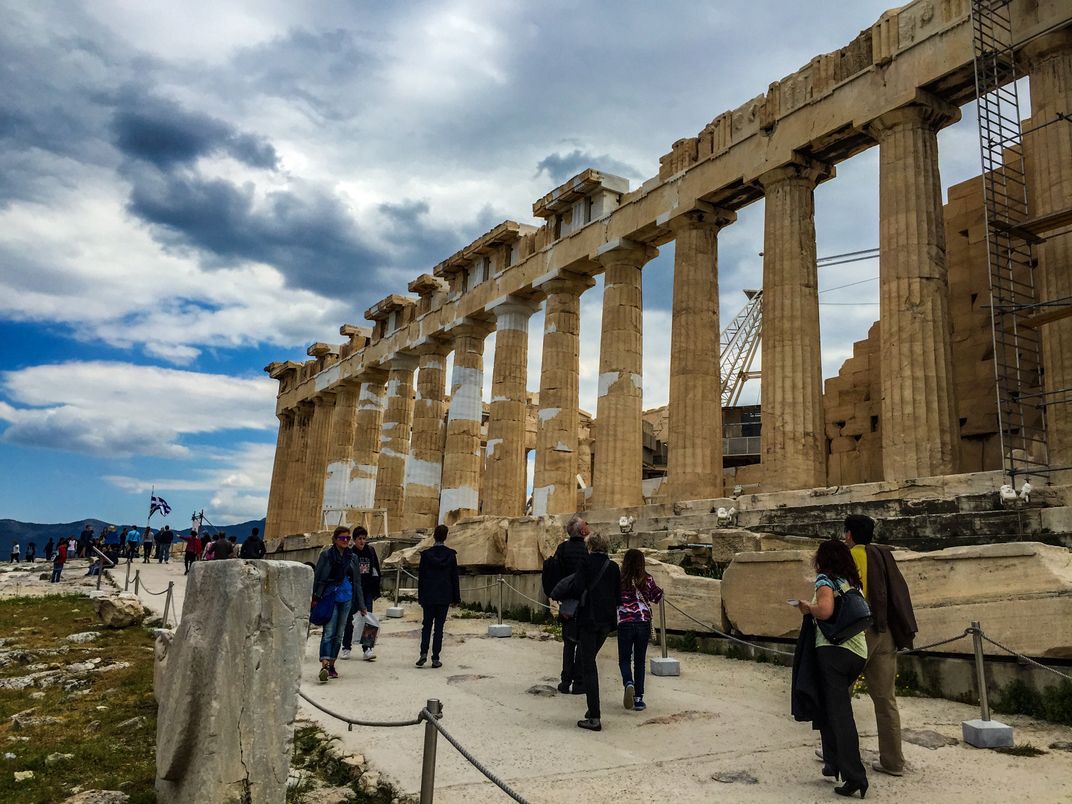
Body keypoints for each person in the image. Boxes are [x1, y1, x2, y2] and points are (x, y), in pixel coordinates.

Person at [844, 514, 917, 778]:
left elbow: (848, 597)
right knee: (886, 700)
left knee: (840, 694)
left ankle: (837, 752)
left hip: (859, 634)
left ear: (849, 534)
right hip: (885, 631)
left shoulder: (851, 557)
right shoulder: (884, 556)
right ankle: (893, 762)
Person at [796, 539, 869, 798]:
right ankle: (833, 763)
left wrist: (808, 608)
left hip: (833, 652)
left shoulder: (825, 580)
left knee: (839, 715)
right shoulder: (851, 582)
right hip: (857, 652)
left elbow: (825, 611)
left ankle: (855, 777)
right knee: (828, 708)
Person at [574, 530, 621, 732]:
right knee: (588, 660)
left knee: (589, 667)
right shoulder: (613, 567)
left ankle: (594, 716)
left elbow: (577, 588)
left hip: (588, 621)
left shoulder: (585, 563)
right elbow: (618, 596)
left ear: (590, 546)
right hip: (606, 622)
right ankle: (592, 709)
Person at [312, 526, 365, 681]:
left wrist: (362, 606)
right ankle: (324, 664)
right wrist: (314, 596)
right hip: (329, 596)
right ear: (335, 539)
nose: (346, 541)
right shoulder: (326, 555)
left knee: (339, 633)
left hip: (347, 598)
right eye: (342, 538)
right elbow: (318, 577)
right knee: (328, 631)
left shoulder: (352, 557)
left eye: (348, 538)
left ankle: (332, 665)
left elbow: (357, 582)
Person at [617, 549, 663, 713]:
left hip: (625, 621)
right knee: (639, 661)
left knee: (624, 659)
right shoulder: (647, 579)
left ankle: (628, 683)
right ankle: (638, 699)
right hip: (643, 622)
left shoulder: (620, 580)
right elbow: (656, 597)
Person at [552, 515, 591, 694]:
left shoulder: (562, 548)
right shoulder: (588, 550)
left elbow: (557, 573)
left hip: (567, 602)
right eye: (586, 524)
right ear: (582, 531)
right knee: (583, 644)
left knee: (568, 645)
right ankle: (579, 683)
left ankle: (565, 682)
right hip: (585, 602)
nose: (588, 526)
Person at [415, 524, 460, 669]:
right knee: (439, 628)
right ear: (446, 536)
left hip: (428, 595)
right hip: (444, 596)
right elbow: (454, 578)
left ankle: (423, 653)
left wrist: (420, 596)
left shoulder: (426, 555)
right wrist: (456, 598)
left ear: (434, 536)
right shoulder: (451, 555)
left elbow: (421, 578)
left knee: (426, 625)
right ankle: (435, 658)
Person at [341, 527, 381, 660]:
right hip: (352, 591)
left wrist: (376, 589)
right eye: (360, 539)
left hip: (367, 590)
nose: (362, 541)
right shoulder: (350, 553)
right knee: (349, 620)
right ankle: (346, 647)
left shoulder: (370, 551)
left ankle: (368, 648)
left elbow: (376, 570)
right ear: (354, 540)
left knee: (368, 618)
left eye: (364, 538)